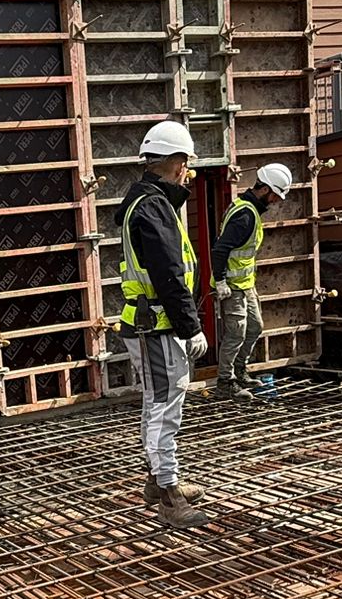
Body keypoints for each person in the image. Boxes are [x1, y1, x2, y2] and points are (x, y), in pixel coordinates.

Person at [118, 120, 210, 528]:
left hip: (151, 323)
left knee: (157, 402)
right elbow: (169, 274)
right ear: (176, 162)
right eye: (185, 162)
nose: (186, 171)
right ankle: (170, 496)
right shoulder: (153, 207)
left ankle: (158, 481)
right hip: (156, 325)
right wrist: (191, 327)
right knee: (164, 407)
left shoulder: (148, 202)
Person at [210, 163, 295, 399]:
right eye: (275, 195)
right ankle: (225, 381)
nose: (276, 201)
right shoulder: (245, 216)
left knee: (255, 327)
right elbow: (220, 250)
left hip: (245, 284)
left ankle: (239, 371)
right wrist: (220, 281)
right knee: (236, 332)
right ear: (265, 189)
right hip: (232, 286)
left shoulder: (250, 211)